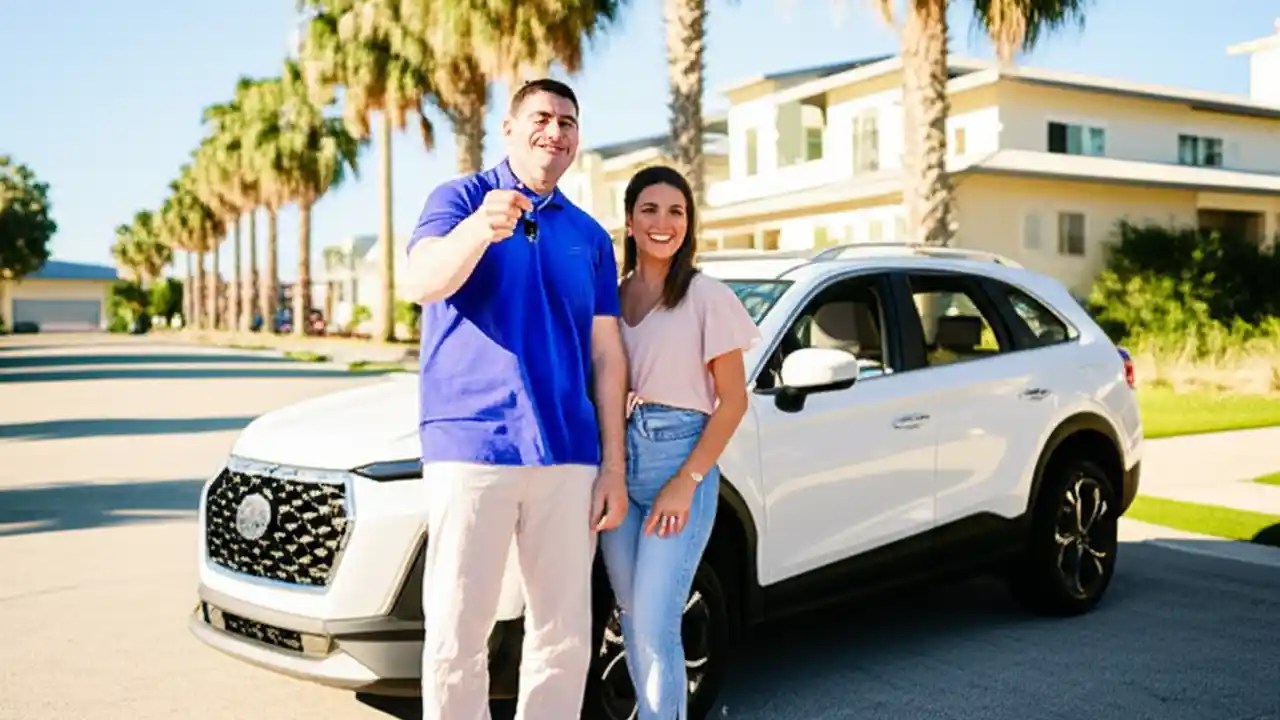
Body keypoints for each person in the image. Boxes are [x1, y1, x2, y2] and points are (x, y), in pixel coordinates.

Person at [401, 78, 630, 720]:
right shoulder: (460, 198)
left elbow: (607, 355)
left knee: (562, 635)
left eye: (567, 121)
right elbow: (421, 280)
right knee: (456, 631)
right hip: (472, 445)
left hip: (567, 454)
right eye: (541, 117)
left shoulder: (589, 236)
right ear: (509, 128)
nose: (554, 131)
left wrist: (612, 466)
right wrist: (479, 230)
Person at [599, 165, 760, 719]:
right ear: (629, 221)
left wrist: (684, 483)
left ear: (689, 224)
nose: (664, 222)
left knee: (655, 619)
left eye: (677, 211)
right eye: (650, 210)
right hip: (617, 466)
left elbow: (733, 402)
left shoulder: (705, 296)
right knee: (631, 615)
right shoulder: (612, 298)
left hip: (679, 461)